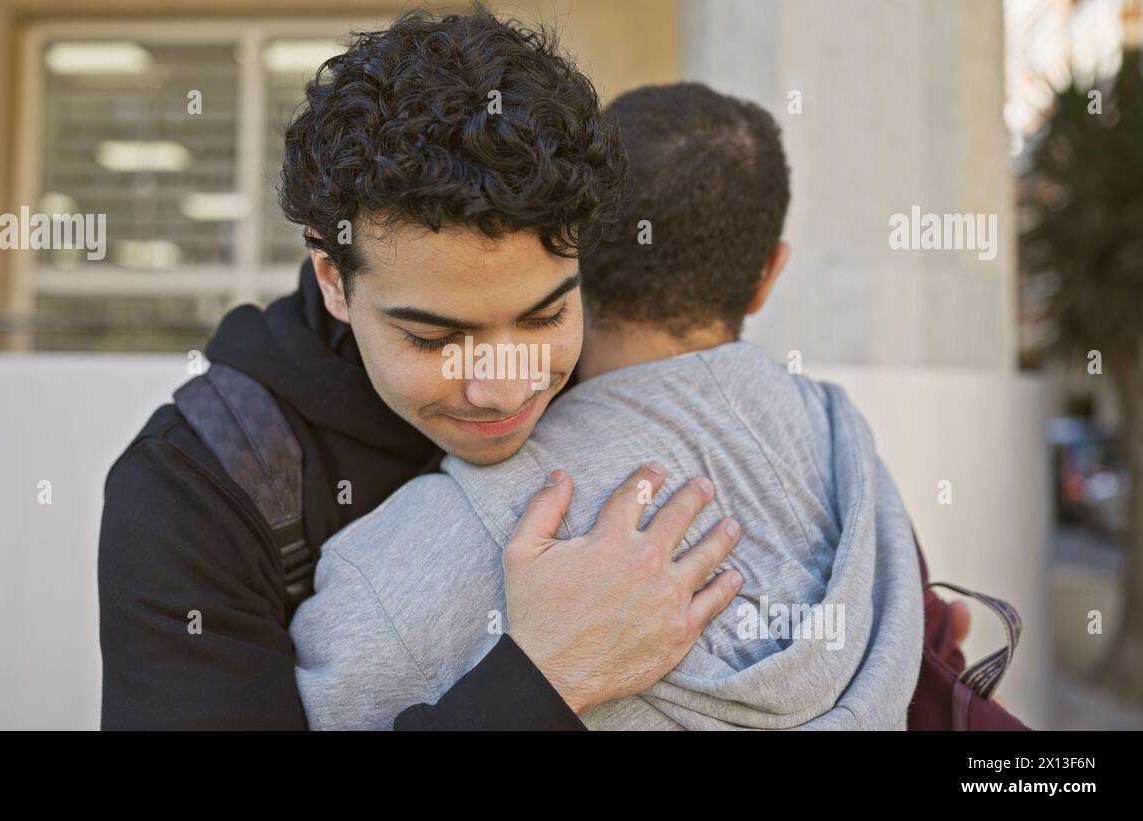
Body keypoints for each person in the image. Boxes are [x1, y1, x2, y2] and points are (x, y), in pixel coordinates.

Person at [97, 6, 744, 731]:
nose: (503, 386)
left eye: (544, 318)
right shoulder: (197, 487)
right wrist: (543, 680)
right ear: (335, 280)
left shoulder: (628, 381)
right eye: (437, 339)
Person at [288, 82, 927, 729]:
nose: (496, 388)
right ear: (768, 273)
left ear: (567, 250)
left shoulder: (394, 565)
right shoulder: (848, 451)